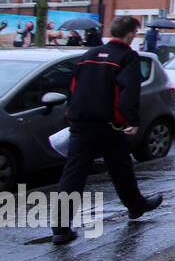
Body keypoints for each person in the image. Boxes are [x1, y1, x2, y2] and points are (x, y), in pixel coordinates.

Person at [49, 16, 163, 244]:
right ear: (130, 34)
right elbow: (128, 91)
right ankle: (135, 205)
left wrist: (71, 117)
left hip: (81, 123)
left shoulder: (88, 55)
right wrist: (132, 121)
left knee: (73, 174)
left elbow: (73, 88)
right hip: (109, 125)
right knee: (121, 167)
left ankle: (60, 229)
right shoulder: (127, 57)